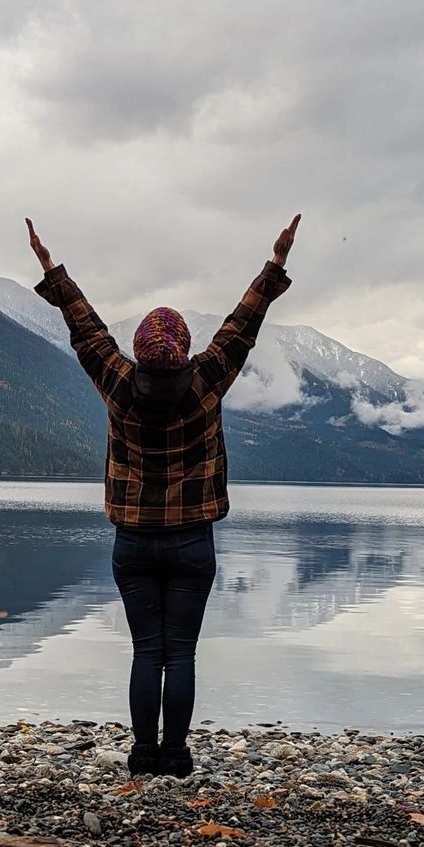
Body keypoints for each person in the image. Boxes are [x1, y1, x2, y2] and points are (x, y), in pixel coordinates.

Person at [26, 212, 300, 775]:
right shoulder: (206, 380)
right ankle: (174, 754)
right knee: (181, 653)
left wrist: (52, 269)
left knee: (147, 650)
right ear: (184, 349)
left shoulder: (117, 383)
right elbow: (242, 325)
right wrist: (274, 264)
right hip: (192, 543)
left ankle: (142, 753)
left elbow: (85, 329)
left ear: (139, 349)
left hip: (132, 542)